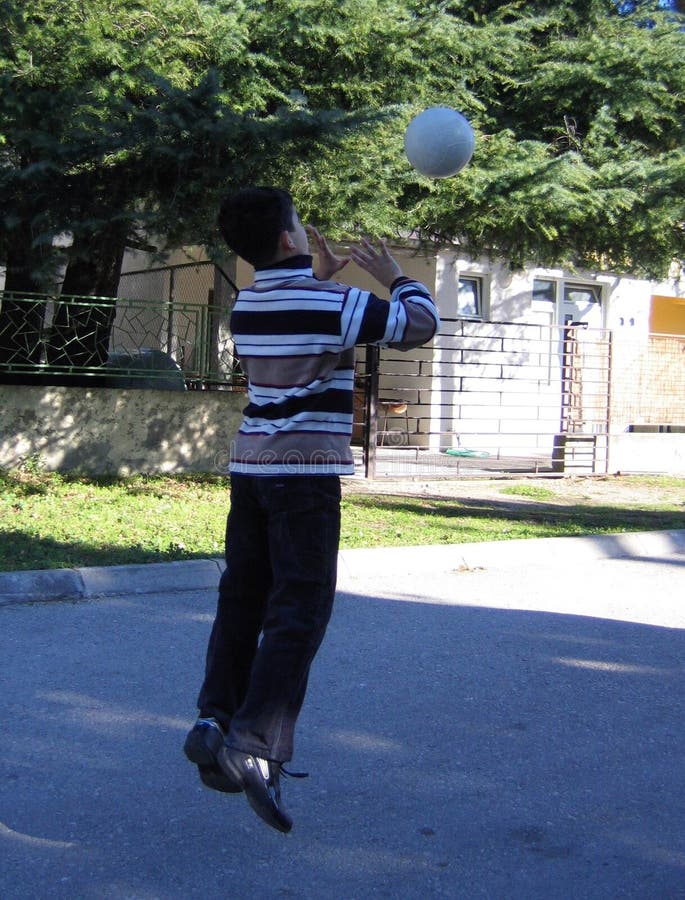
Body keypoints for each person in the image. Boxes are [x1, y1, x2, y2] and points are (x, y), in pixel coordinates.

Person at [184, 186, 440, 833]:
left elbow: (297, 323)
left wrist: (317, 275)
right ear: (288, 238)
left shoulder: (249, 304)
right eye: (300, 223)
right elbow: (419, 324)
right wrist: (396, 276)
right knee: (299, 609)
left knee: (242, 597)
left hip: (252, 471)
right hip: (305, 477)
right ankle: (254, 745)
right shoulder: (333, 304)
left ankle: (215, 718)